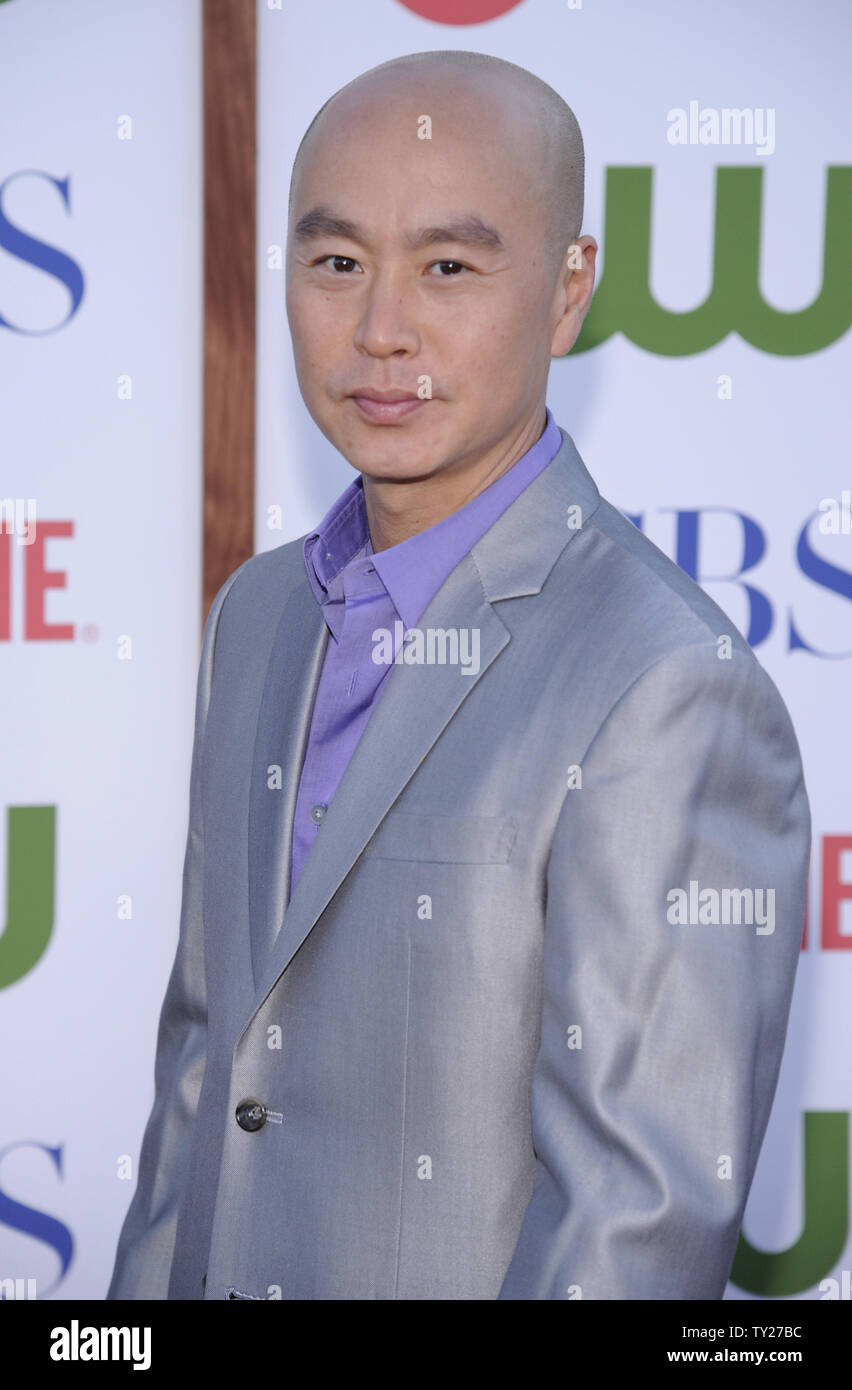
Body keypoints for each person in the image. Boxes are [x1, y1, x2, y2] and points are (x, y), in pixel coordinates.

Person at [107, 49, 810, 1301]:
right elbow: (210, 1070)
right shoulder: (258, 615)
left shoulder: (663, 683)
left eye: (448, 265)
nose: (382, 328)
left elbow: (635, 1230)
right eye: (335, 262)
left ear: (567, 290)